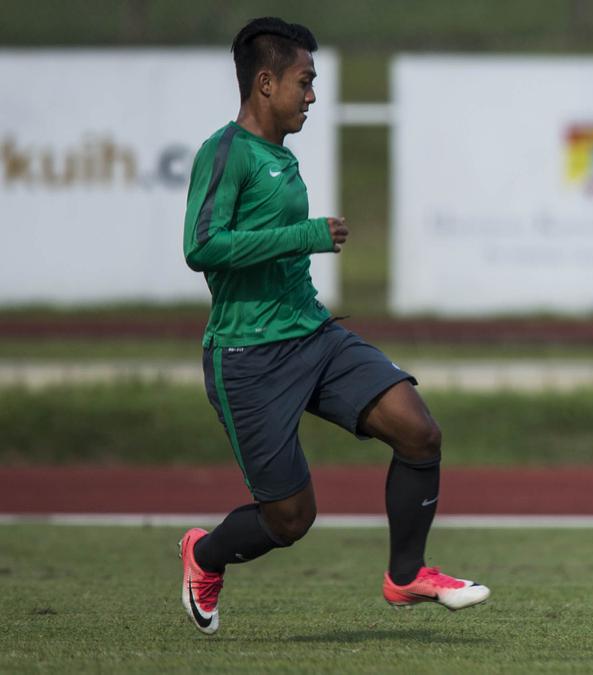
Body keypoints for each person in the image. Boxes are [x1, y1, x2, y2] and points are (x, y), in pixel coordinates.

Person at [178, 17, 488, 635]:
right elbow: (202, 247)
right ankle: (204, 555)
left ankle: (407, 574)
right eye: (305, 81)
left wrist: (302, 247)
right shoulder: (225, 152)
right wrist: (307, 234)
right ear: (265, 83)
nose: (313, 95)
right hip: (247, 358)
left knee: (419, 431)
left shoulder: (280, 157)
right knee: (290, 519)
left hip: (313, 337)